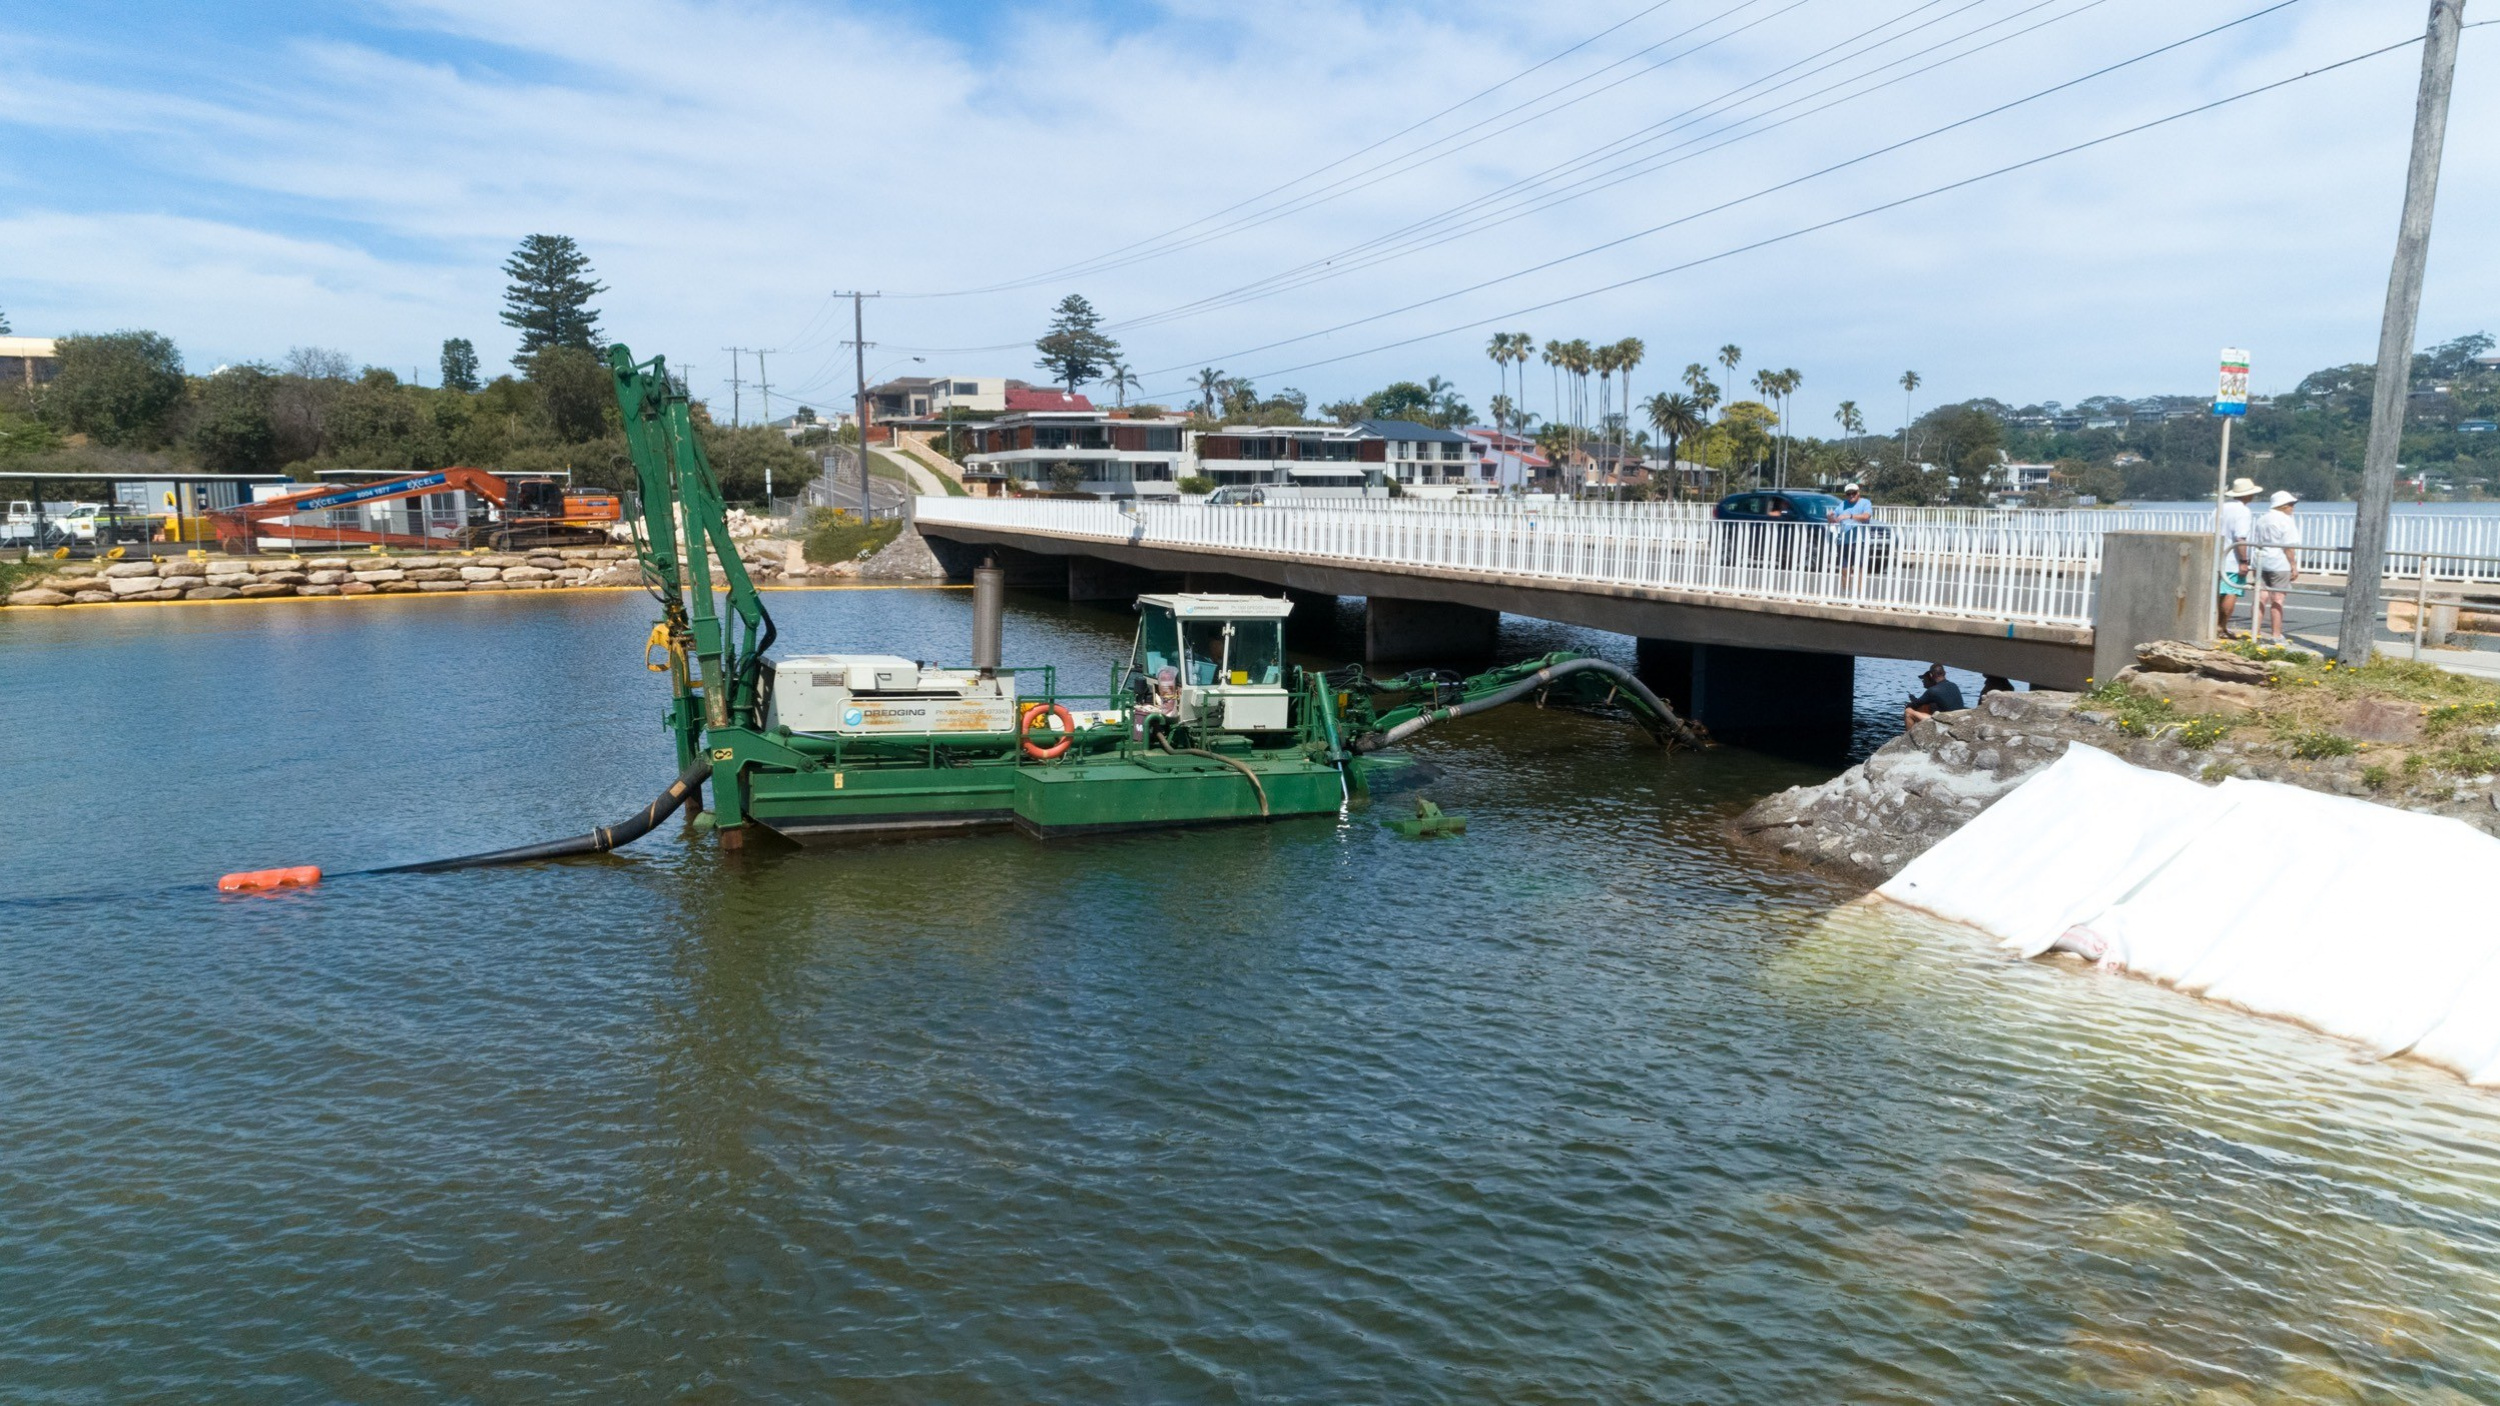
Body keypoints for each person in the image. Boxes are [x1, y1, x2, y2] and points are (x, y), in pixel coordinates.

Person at [2250, 489, 2302, 645]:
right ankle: (2276, 635)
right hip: (2279, 563)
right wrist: (2293, 565)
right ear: (2283, 506)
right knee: (2278, 599)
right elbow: (2288, 547)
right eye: (2291, 504)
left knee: (2260, 597)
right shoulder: (2286, 520)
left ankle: (2255, 633)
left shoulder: (2262, 519)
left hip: (2260, 561)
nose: (2293, 507)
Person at [2215, 477, 2262, 638]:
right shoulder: (2243, 511)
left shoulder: (2220, 508)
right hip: (2231, 559)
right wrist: (2244, 561)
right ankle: (2222, 626)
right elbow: (2240, 538)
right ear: (2248, 495)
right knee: (2231, 591)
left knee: (2217, 592)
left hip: (2215, 555)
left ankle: (2214, 625)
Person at [1829, 482, 1874, 588]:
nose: (1851, 496)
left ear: (1858, 493)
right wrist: (1830, 517)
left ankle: (1860, 596)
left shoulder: (1865, 502)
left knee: (1860, 569)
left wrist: (1850, 516)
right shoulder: (1843, 504)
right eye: (1848, 494)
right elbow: (1834, 519)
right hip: (1844, 541)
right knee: (1845, 570)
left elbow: (1866, 516)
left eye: (1853, 493)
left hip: (1859, 541)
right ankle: (1845, 595)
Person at [1904, 663, 1965, 731]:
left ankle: (1908, 738)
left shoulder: (1933, 691)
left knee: (1908, 712)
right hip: (1959, 721)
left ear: (1931, 675)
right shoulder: (1954, 685)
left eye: (1924, 679)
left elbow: (1914, 705)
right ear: (1944, 673)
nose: (1923, 681)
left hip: (1947, 723)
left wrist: (1909, 704)